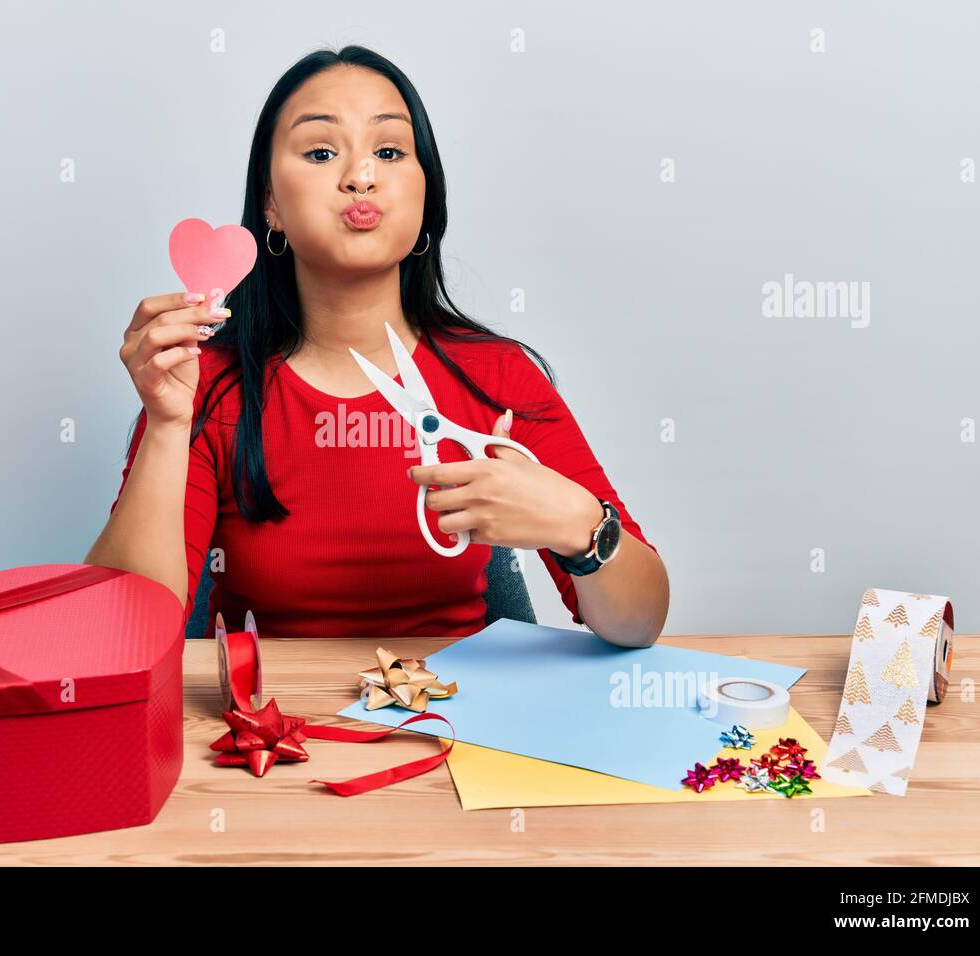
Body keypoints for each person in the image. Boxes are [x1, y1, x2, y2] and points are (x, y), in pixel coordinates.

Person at [85, 45, 669, 646]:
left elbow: (640, 622)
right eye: (320, 151)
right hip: (268, 726)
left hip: (461, 727)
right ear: (271, 206)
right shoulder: (201, 386)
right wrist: (164, 426)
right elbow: (122, 641)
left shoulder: (497, 378)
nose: (360, 176)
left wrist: (581, 527)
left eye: (388, 151)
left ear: (424, 195)